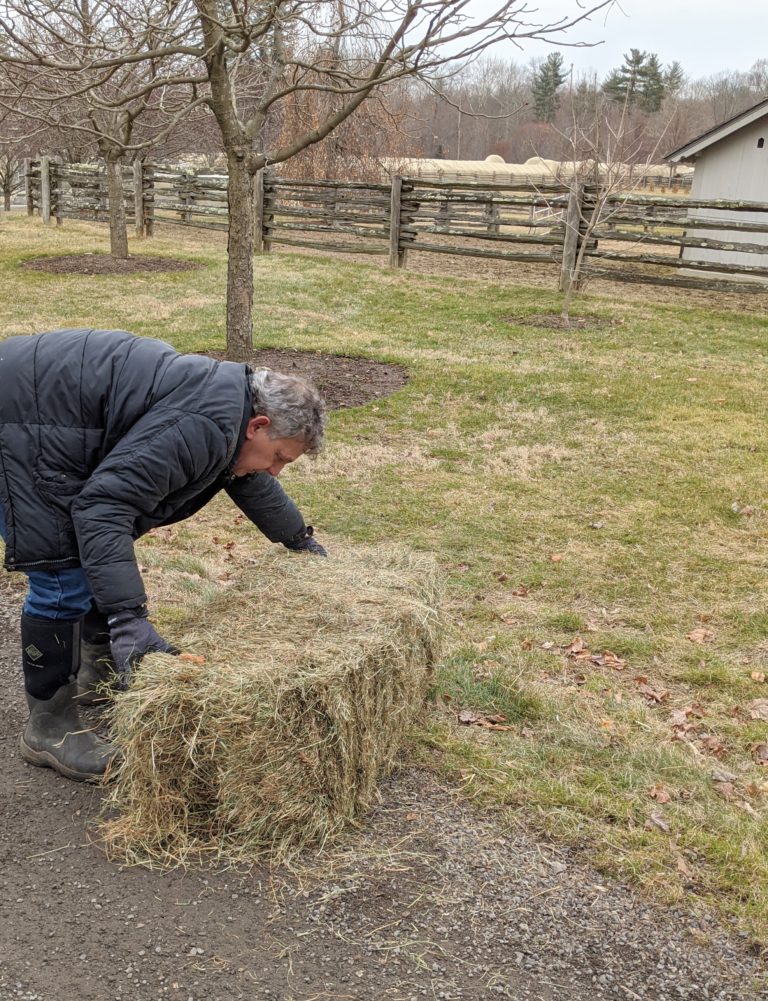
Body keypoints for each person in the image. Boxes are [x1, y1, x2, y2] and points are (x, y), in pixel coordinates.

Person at [0, 328, 327, 783]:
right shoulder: (206, 423)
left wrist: (299, 540)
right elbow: (103, 507)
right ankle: (49, 727)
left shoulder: (231, 412)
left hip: (49, 410)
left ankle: (97, 672)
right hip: (19, 416)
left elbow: (250, 481)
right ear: (258, 426)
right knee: (61, 576)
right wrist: (128, 617)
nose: (275, 470)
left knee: (91, 547)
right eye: (279, 458)